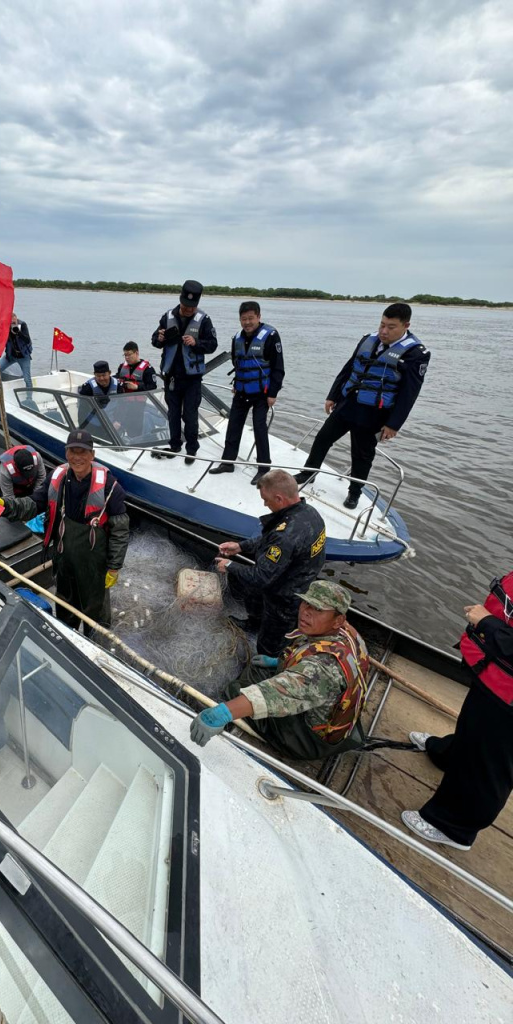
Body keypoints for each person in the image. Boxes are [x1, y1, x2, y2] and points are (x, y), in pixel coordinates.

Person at [190, 581, 369, 760]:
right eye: (307, 603)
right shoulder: (348, 633)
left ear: (338, 620)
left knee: (236, 691)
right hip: (328, 709)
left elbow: (274, 694)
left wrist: (222, 713)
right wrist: (277, 662)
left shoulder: (324, 669)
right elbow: (310, 656)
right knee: (256, 671)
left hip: (309, 738)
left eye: (319, 610)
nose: (306, 612)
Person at [402, 573, 513, 851]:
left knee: (491, 761)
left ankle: (454, 827)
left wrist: (487, 622)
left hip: (509, 699)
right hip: (495, 677)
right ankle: (449, 754)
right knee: (472, 726)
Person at [295, 303, 430, 509]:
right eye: (382, 325)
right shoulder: (368, 340)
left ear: (406, 325)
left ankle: (354, 493)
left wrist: (393, 424)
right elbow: (349, 367)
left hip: (375, 412)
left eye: (391, 327)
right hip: (348, 402)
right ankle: (309, 472)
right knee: (323, 438)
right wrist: (333, 395)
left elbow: (409, 394)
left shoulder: (416, 353)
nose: (383, 331)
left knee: (362, 454)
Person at [0, 429, 129, 629]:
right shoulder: (56, 478)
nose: (77, 457)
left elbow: (120, 530)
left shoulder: (111, 487)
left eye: (83, 452)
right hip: (63, 555)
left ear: (92, 455)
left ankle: (97, 640)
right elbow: (33, 504)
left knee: (96, 608)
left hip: (94, 563)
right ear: (66, 453)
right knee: (65, 602)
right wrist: (5, 506)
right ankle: (69, 635)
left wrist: (114, 566)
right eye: (72, 451)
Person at [214, 469, 326, 656]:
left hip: (285, 597)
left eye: (266, 500)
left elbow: (261, 577)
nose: (265, 504)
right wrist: (241, 547)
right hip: (294, 577)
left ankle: (265, 670)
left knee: (270, 644)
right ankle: (254, 623)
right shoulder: (310, 513)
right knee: (256, 598)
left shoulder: (286, 534)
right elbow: (271, 540)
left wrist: (229, 565)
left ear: (280, 498)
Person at [210, 301, 284, 485]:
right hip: (242, 391)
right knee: (233, 425)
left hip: (261, 393)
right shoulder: (237, 338)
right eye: (244, 319)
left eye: (251, 318)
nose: (247, 322)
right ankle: (227, 463)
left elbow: (278, 368)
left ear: (258, 317)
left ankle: (264, 469)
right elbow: (237, 362)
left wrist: (272, 393)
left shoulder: (271, 336)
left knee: (259, 428)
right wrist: (237, 382)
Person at [151, 279, 218, 464]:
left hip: (192, 378)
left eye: (192, 307)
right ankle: (174, 445)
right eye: (186, 306)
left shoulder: (204, 319)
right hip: (171, 376)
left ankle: (191, 449)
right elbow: (155, 341)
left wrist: (196, 343)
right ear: (180, 300)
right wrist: (160, 337)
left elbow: (212, 345)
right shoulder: (167, 316)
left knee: (190, 414)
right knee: (173, 413)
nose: (189, 310)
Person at [115, 342, 158, 438]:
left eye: (129, 354)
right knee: (117, 427)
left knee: (134, 431)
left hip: (137, 406)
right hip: (122, 403)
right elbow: (116, 379)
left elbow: (152, 386)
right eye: (125, 355)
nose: (127, 357)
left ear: (136, 353)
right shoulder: (122, 367)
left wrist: (137, 387)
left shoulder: (148, 369)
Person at [77, 360, 124, 431]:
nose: (101, 378)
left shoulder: (117, 385)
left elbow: (122, 405)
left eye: (104, 375)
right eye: (98, 376)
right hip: (93, 422)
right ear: (94, 374)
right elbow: (82, 409)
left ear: (109, 373)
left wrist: (119, 421)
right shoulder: (88, 387)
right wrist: (82, 427)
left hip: (112, 422)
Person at [0, 313, 33, 388]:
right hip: (11, 356)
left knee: (27, 379)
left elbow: (27, 340)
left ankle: (29, 397)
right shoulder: (6, 327)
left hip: (23, 357)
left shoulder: (22, 325)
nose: (13, 324)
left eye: (14, 322)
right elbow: (0, 339)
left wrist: (18, 332)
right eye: (11, 322)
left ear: (16, 318)